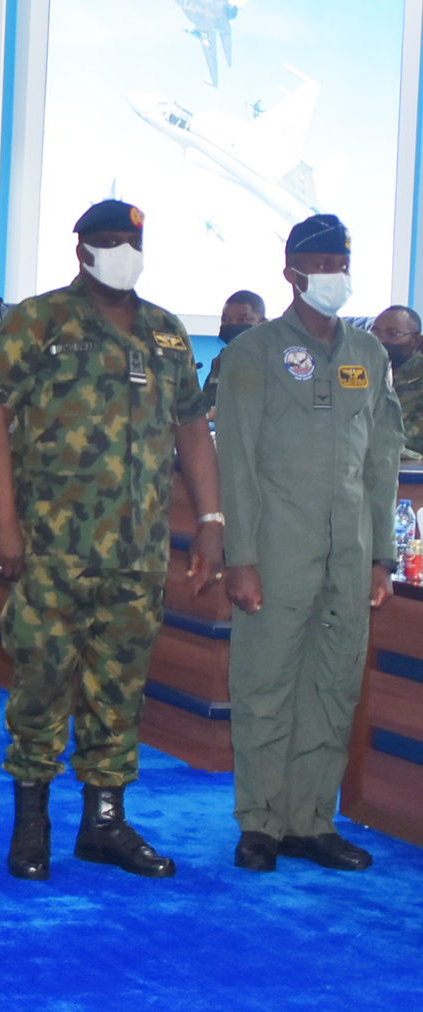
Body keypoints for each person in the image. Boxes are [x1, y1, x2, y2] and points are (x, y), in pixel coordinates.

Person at [0, 199, 224, 882]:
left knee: (120, 686)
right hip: (52, 546)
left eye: (131, 242)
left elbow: (193, 429)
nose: (123, 252)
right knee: (41, 681)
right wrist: (2, 518)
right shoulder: (40, 320)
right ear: (81, 249)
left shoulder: (168, 334)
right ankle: (31, 823)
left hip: (137, 553)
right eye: (109, 241)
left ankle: (104, 823)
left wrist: (210, 521)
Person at [216, 215, 402, 873]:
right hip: (275, 550)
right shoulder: (254, 353)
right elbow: (233, 460)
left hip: (349, 554)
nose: (332, 275)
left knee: (332, 687)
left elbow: (382, 460)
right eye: (319, 264)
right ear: (291, 271)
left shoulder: (368, 353)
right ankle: (261, 823)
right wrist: (238, 556)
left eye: (340, 262)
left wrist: (381, 554)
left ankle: (311, 822)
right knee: (265, 686)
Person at [368, 305, 423, 454]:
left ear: (415, 341)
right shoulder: (364, 372)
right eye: (375, 332)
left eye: (392, 334)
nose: (380, 340)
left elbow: (412, 440)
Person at [203, 290, 266, 408]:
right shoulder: (221, 360)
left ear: (262, 322)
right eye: (226, 320)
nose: (233, 325)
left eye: (243, 320)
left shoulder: (270, 361)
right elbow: (208, 401)